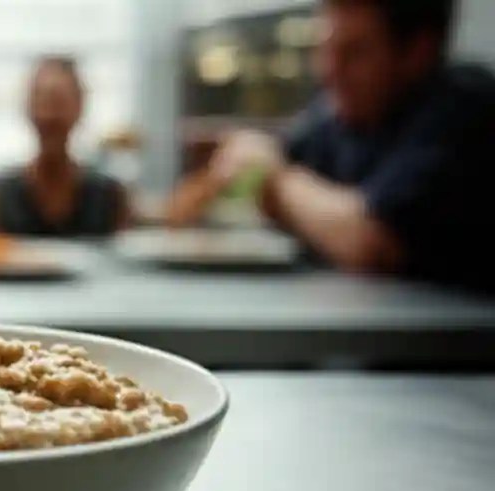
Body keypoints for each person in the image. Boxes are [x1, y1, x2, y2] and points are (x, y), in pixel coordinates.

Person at [206, 0, 495, 290]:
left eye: (354, 53)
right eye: (326, 50)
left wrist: (276, 176)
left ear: (419, 51)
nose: (330, 71)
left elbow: (372, 243)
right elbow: (275, 170)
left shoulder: (465, 110)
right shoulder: (340, 117)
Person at [0, 57, 129, 238]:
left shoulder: (110, 196)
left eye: (59, 102)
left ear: (80, 107)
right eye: (40, 100)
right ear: (27, 108)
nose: (48, 115)